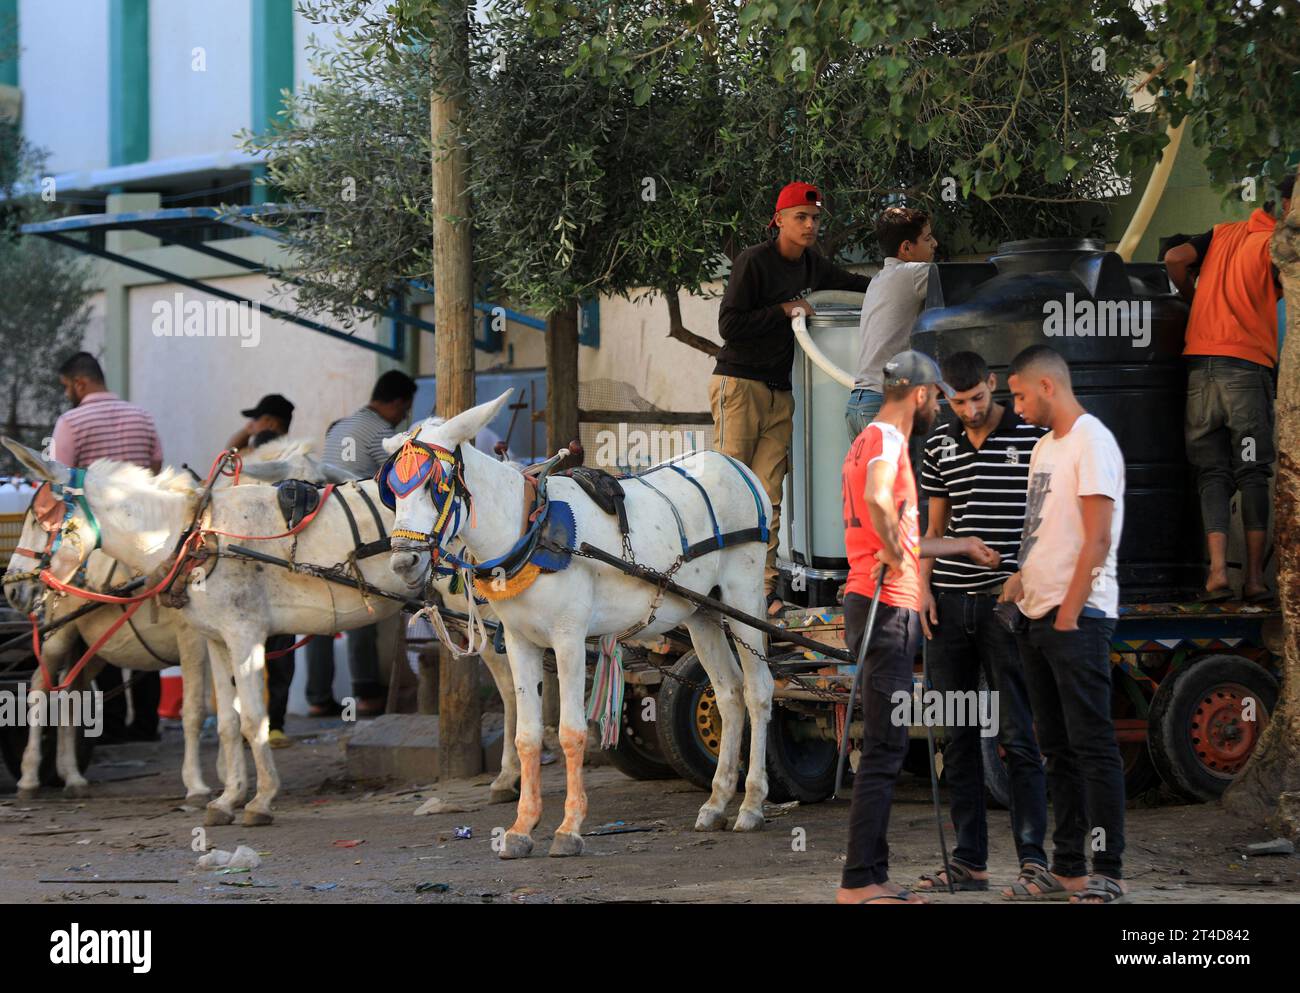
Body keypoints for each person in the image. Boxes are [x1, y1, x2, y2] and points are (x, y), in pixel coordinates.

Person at [836, 350, 1001, 906]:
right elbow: (880, 502)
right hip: (885, 605)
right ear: (924, 394)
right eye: (940, 399)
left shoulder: (864, 440)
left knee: (886, 744)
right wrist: (893, 554)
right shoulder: (887, 441)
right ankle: (860, 882)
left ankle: (874, 876)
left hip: (874, 600)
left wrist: (958, 544)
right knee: (885, 748)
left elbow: (901, 530)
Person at [914, 351, 1048, 894]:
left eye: (977, 399)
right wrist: (921, 586)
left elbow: (1042, 521)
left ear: (992, 385)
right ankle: (969, 862)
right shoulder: (939, 444)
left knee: (1017, 736)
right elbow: (935, 523)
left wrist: (1024, 585)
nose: (968, 410)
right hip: (947, 604)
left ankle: (1034, 860)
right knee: (956, 734)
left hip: (1004, 605)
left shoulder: (1030, 438)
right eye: (956, 400)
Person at [1000, 344, 1129, 904]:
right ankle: (1069, 866)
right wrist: (1019, 578)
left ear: (1047, 386)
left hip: (1078, 616)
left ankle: (1108, 868)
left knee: (1093, 745)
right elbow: (1040, 527)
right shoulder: (1044, 448)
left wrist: (1071, 613)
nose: (1017, 407)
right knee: (1057, 749)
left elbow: (1099, 537)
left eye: (1021, 396)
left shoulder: (1092, 441)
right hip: (1036, 613)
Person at [712, 180, 871, 616]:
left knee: (768, 495)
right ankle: (713, 585)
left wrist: (895, 284)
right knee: (729, 489)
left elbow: (851, 283)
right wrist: (783, 310)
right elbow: (729, 324)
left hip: (780, 391)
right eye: (801, 216)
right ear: (779, 220)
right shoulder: (753, 262)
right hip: (739, 386)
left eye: (816, 218)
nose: (810, 225)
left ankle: (760, 592)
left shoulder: (811, 265)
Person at [1163, 174, 1292, 603]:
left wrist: (1190, 297)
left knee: (1213, 472)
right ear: (1289, 208)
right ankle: (1254, 579)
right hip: (1245, 376)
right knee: (1252, 469)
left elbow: (1175, 257)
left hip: (1201, 374)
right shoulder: (1278, 245)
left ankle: (1217, 573)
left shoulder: (1221, 232)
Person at [51, 352, 164, 743]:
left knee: (103, 623)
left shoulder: (71, 422)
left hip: (102, 541)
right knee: (152, 616)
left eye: (67, 386)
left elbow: (59, 483)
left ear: (79, 384)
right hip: (148, 538)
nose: (67, 394)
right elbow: (156, 467)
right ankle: (147, 723)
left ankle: (113, 723)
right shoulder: (142, 417)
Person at [307, 370, 417, 717]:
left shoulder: (341, 426)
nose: (404, 416)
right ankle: (367, 692)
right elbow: (404, 484)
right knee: (362, 606)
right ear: (399, 402)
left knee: (321, 614)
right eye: (405, 409)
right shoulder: (383, 434)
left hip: (323, 522)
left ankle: (318, 697)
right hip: (358, 527)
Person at [228, 395, 298, 748]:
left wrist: (248, 436)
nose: (249, 427)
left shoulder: (276, 468)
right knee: (274, 653)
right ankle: (266, 724)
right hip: (275, 577)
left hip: (264, 576)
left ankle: (259, 723)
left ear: (270, 423)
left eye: (256, 420)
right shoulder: (268, 464)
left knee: (262, 653)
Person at [846, 207, 939, 440]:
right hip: (883, 404)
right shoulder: (913, 273)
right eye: (927, 238)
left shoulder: (878, 280)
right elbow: (963, 281)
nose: (935, 244)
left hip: (858, 405)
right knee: (901, 477)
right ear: (906, 248)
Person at [225, 394, 295, 455]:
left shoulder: (265, 449)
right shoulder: (289, 450)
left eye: (256, 418)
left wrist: (246, 431)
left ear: (271, 424)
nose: (250, 423)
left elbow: (230, 457)